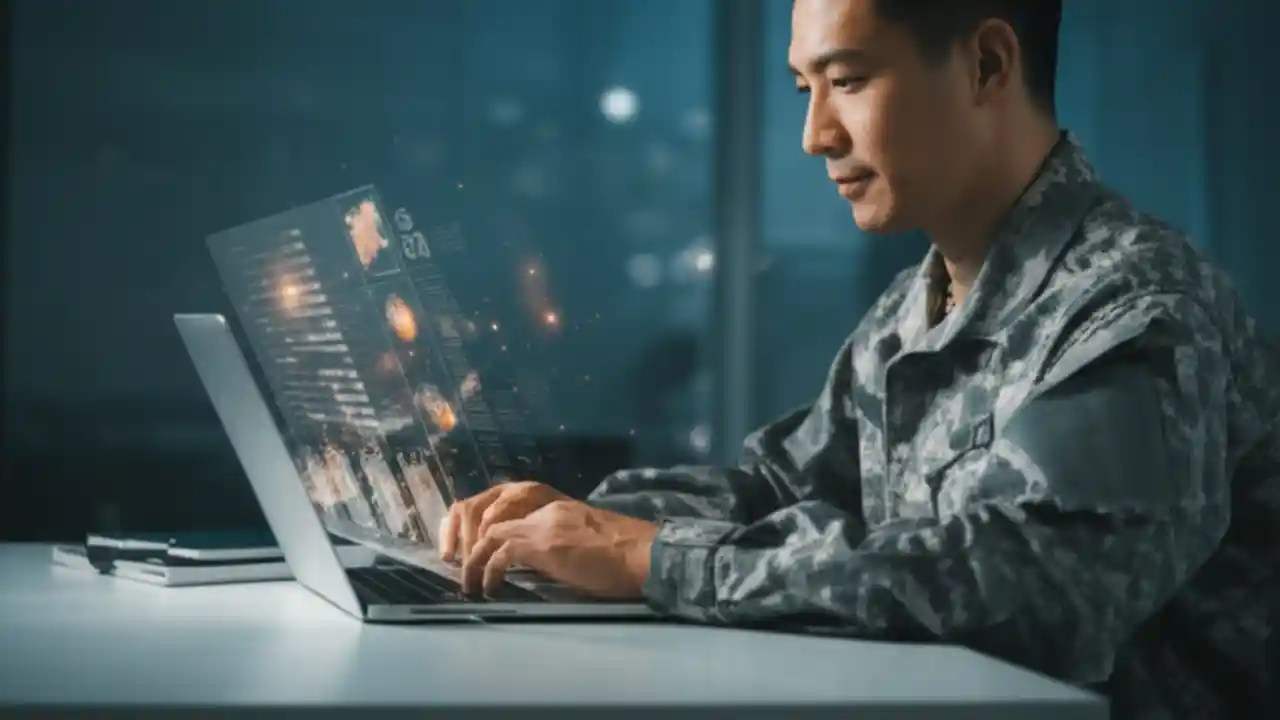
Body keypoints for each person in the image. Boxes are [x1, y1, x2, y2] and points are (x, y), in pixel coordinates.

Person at [439, 1, 1279, 716]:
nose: (814, 135)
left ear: (986, 64)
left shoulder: (1140, 311)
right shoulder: (916, 309)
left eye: (847, 81)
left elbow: (1022, 592)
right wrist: (563, 522)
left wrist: (648, 559)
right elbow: (781, 486)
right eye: (805, 90)